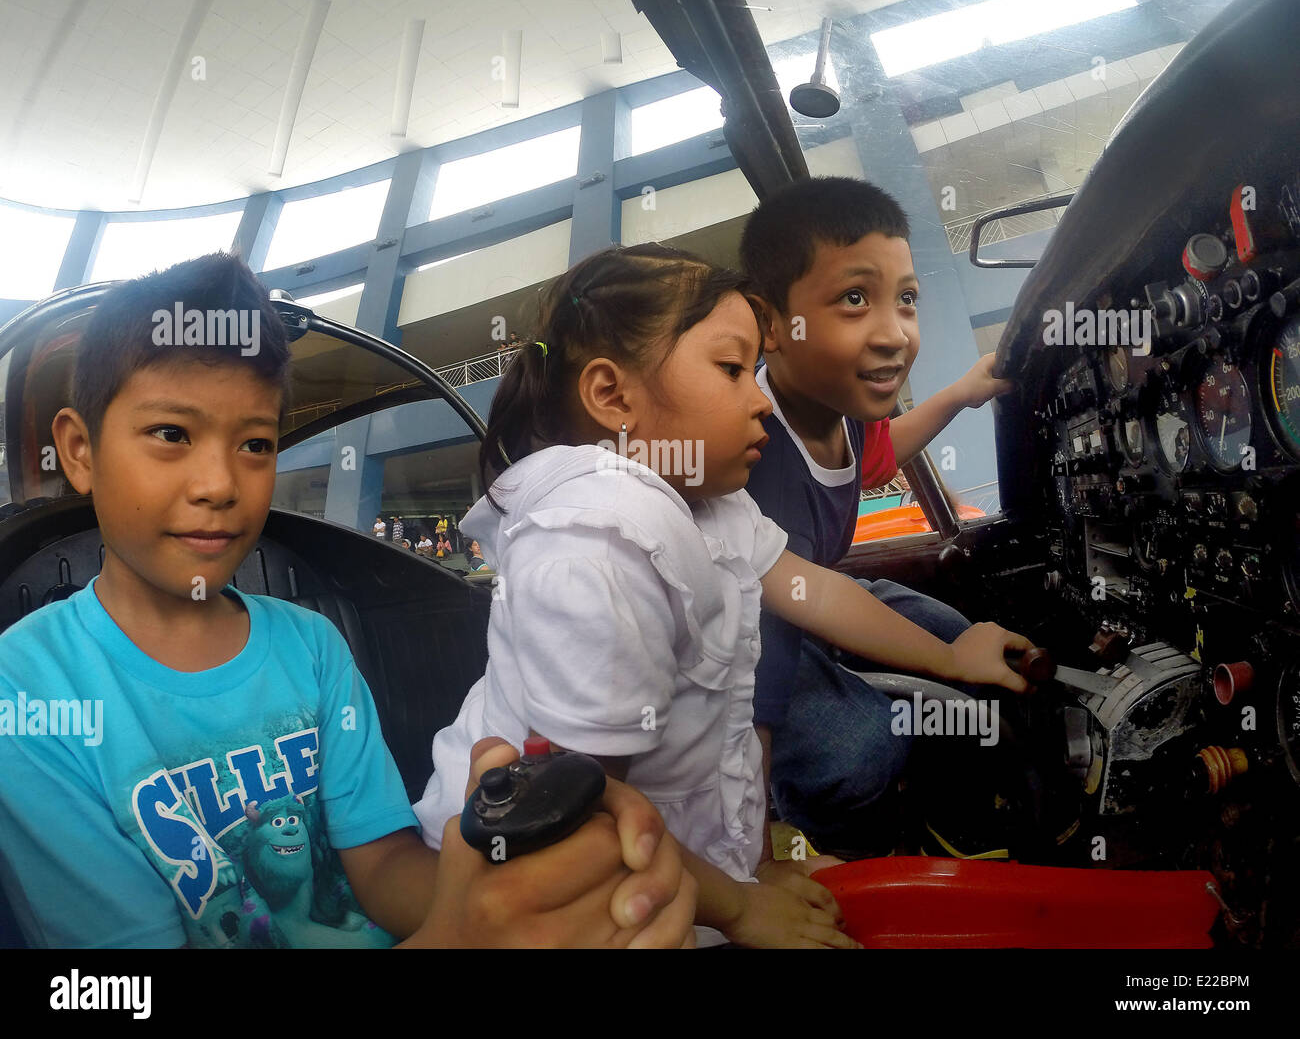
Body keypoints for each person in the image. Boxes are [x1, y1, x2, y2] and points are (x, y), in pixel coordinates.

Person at [0, 252, 695, 949]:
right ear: (80, 451)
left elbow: (384, 863)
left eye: (255, 443)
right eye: (172, 434)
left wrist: (511, 890)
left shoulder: (313, 647)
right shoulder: (28, 689)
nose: (218, 482)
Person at [412, 244, 1032, 947]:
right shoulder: (595, 545)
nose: (760, 397)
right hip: (545, 898)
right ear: (613, 396)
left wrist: (951, 657)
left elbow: (813, 590)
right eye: (732, 368)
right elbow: (584, 816)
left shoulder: (710, 506)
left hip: (667, 873)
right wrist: (739, 906)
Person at [738, 175, 1016, 859]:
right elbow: (810, 601)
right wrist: (761, 859)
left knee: (951, 626)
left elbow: (882, 452)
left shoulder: (839, 410)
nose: (894, 333)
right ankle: (836, 840)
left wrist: (959, 394)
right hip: (747, 636)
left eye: (907, 299)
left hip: (806, 598)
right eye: (855, 299)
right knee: (857, 749)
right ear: (771, 323)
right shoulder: (761, 456)